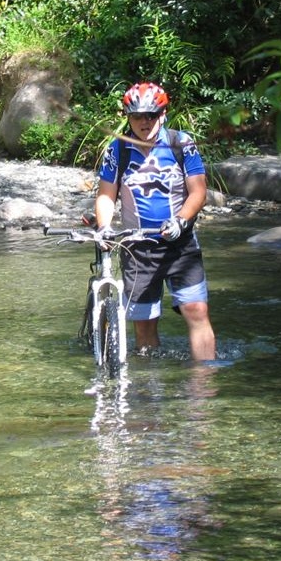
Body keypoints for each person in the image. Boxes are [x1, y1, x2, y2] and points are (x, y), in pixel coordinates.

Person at [93, 82, 216, 362]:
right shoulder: (118, 150)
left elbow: (198, 191)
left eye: (151, 115)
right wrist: (104, 227)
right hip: (138, 249)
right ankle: (150, 382)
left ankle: (205, 379)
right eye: (137, 116)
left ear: (163, 114)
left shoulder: (181, 144)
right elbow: (106, 195)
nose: (144, 122)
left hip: (181, 244)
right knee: (145, 324)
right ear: (128, 117)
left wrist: (181, 221)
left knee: (197, 310)